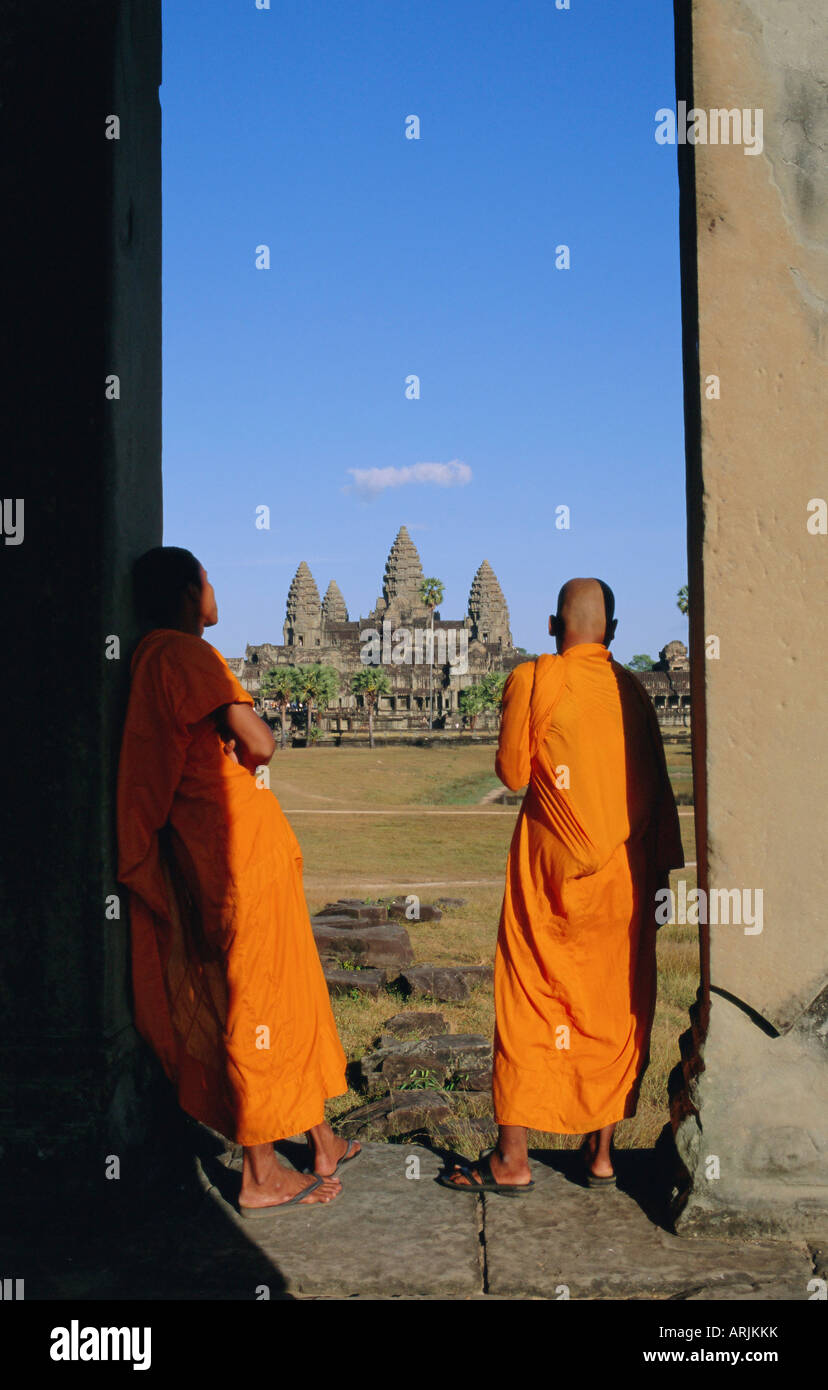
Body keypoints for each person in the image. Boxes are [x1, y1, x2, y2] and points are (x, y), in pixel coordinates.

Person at [117, 547, 358, 1214]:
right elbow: (260, 743)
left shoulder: (150, 657)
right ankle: (259, 1173)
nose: (216, 590)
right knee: (256, 999)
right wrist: (239, 743)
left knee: (285, 985)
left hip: (224, 846)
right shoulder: (189, 655)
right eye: (210, 580)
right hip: (236, 850)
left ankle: (323, 1137)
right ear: (193, 592)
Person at [440, 577, 684, 1193]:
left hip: (550, 880)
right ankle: (600, 1155)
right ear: (616, 634)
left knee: (530, 1000)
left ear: (552, 626)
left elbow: (512, 769)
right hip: (622, 881)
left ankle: (512, 1160)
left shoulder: (536, 677)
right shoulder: (635, 692)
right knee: (613, 1004)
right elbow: (657, 790)